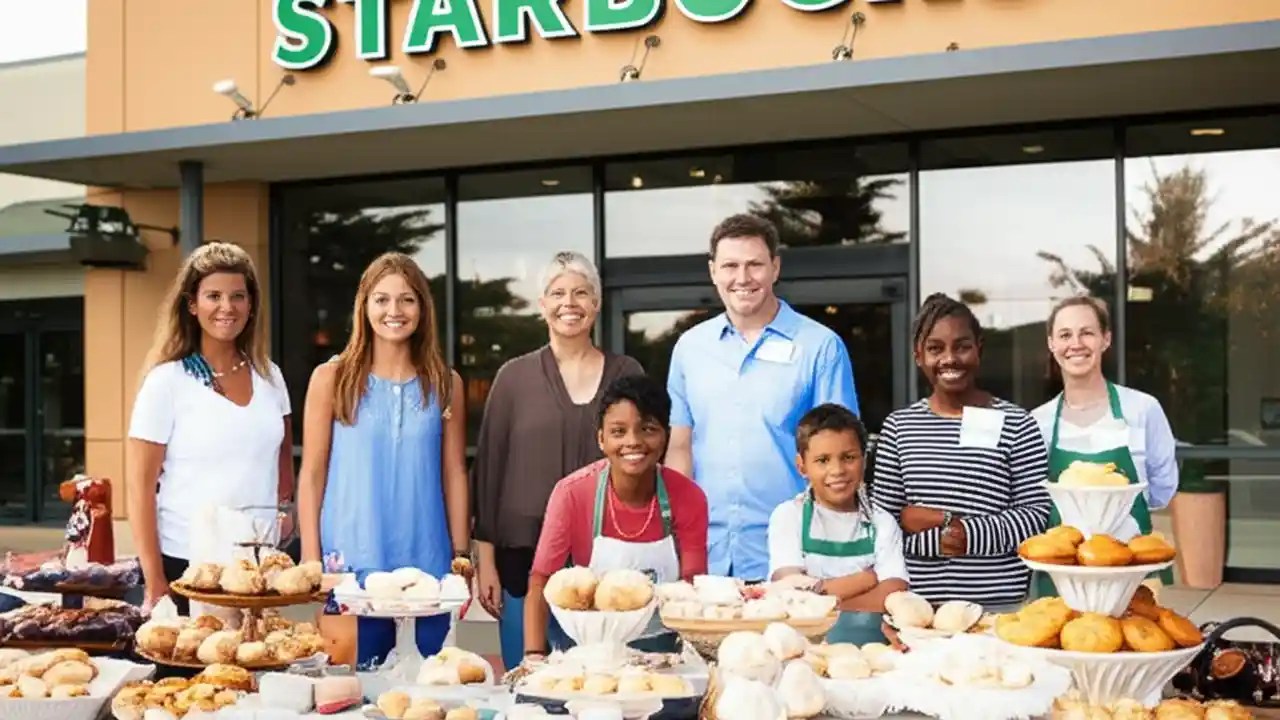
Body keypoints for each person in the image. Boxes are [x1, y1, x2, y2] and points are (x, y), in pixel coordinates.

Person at [296, 252, 470, 669]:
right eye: (382, 299)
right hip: (349, 564)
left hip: (427, 565)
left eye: (407, 300)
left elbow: (454, 473)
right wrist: (310, 558)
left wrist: (461, 556)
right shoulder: (331, 379)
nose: (395, 311)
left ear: (422, 308)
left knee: (426, 694)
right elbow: (313, 472)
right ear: (364, 306)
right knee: (350, 690)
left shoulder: (446, 384)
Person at [471, 251, 643, 672]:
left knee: (601, 685)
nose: (571, 302)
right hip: (521, 562)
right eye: (558, 293)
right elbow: (489, 472)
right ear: (542, 304)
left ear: (597, 304)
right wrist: (485, 563)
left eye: (582, 293)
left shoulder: (627, 373)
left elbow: (645, 460)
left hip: (608, 563)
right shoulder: (513, 378)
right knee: (529, 686)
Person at [665, 214, 858, 581]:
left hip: (795, 557)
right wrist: (679, 535)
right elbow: (680, 447)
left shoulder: (820, 347)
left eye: (754, 264)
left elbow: (841, 456)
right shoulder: (690, 348)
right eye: (730, 266)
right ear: (713, 271)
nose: (743, 278)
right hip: (707, 558)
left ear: (775, 267)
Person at [127, 242, 294, 614]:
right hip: (186, 568)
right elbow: (139, 490)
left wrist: (285, 511)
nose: (226, 307)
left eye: (238, 296)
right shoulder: (166, 382)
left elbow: (283, 455)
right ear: (192, 304)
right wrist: (155, 582)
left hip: (257, 569)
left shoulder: (270, 376)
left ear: (251, 305)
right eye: (213, 296)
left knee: (255, 670)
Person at [872, 293, 1051, 610]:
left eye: (962, 346)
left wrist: (964, 533)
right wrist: (941, 531)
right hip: (917, 609)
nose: (950, 358)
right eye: (935, 348)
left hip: (998, 608)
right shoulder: (899, 427)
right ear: (918, 356)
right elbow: (883, 525)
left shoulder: (1017, 423)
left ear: (979, 349)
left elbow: (1036, 517)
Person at [524, 374, 709, 658]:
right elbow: (541, 582)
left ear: (666, 436)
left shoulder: (688, 498)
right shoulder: (572, 494)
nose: (633, 442)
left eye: (647, 429)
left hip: (664, 654)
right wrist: (534, 655)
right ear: (601, 438)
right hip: (588, 652)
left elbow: (693, 590)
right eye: (618, 431)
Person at [1030, 296, 1177, 597]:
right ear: (1051, 344)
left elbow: (1163, 488)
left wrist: (1117, 526)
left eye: (1087, 332)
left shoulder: (1143, 409)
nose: (1076, 343)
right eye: (1065, 335)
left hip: (1133, 568)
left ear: (1105, 339)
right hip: (1064, 574)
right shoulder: (1038, 422)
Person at [768, 404, 908, 644]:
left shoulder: (882, 522)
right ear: (802, 466)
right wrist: (865, 580)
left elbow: (894, 592)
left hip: (872, 648)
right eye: (822, 460)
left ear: (864, 460)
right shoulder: (789, 516)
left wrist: (819, 600)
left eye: (848, 458)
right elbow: (789, 592)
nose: (837, 470)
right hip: (802, 649)